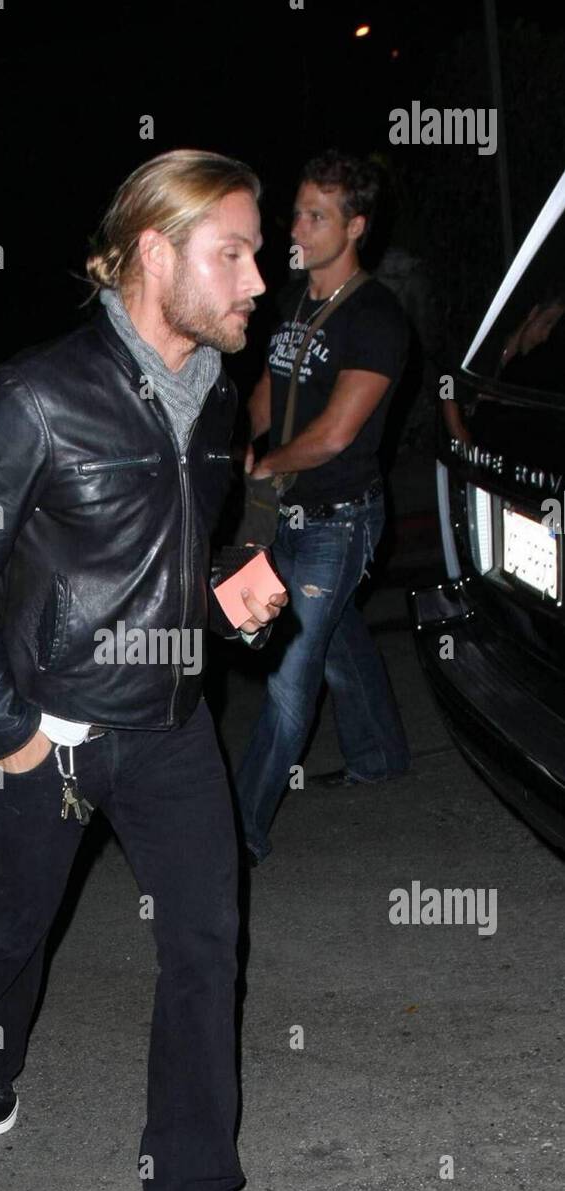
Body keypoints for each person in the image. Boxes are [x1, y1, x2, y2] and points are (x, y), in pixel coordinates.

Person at [0, 149, 290, 1191]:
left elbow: (185, 552)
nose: (259, 279)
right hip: (57, 731)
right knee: (17, 924)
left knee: (206, 946)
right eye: (235, 253)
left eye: (259, 253)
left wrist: (235, 592)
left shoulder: (218, 394)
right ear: (155, 254)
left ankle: (189, 1184)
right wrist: (14, 735)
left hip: (175, 723)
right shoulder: (36, 394)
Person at [236, 150, 411, 867]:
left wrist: (269, 465)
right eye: (297, 212)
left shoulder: (377, 318)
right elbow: (271, 390)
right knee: (336, 637)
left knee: (289, 673)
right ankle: (382, 754)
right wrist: (244, 446)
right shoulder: (294, 303)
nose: (297, 228)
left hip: (340, 520)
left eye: (316, 216)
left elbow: (337, 432)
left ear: (357, 226)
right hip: (285, 512)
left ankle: (237, 828)